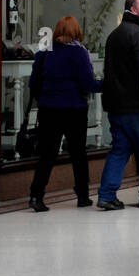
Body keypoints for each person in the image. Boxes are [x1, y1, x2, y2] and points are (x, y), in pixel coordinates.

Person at [27, 15, 103, 212]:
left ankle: (36, 196)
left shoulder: (44, 53)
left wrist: (45, 97)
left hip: (48, 109)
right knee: (78, 153)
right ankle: (83, 196)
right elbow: (88, 84)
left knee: (47, 154)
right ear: (77, 32)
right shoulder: (79, 53)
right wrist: (106, 84)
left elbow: (33, 83)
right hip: (74, 110)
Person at [97, 0, 139, 210]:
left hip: (116, 106)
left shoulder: (114, 35)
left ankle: (106, 194)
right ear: (133, 10)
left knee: (119, 151)